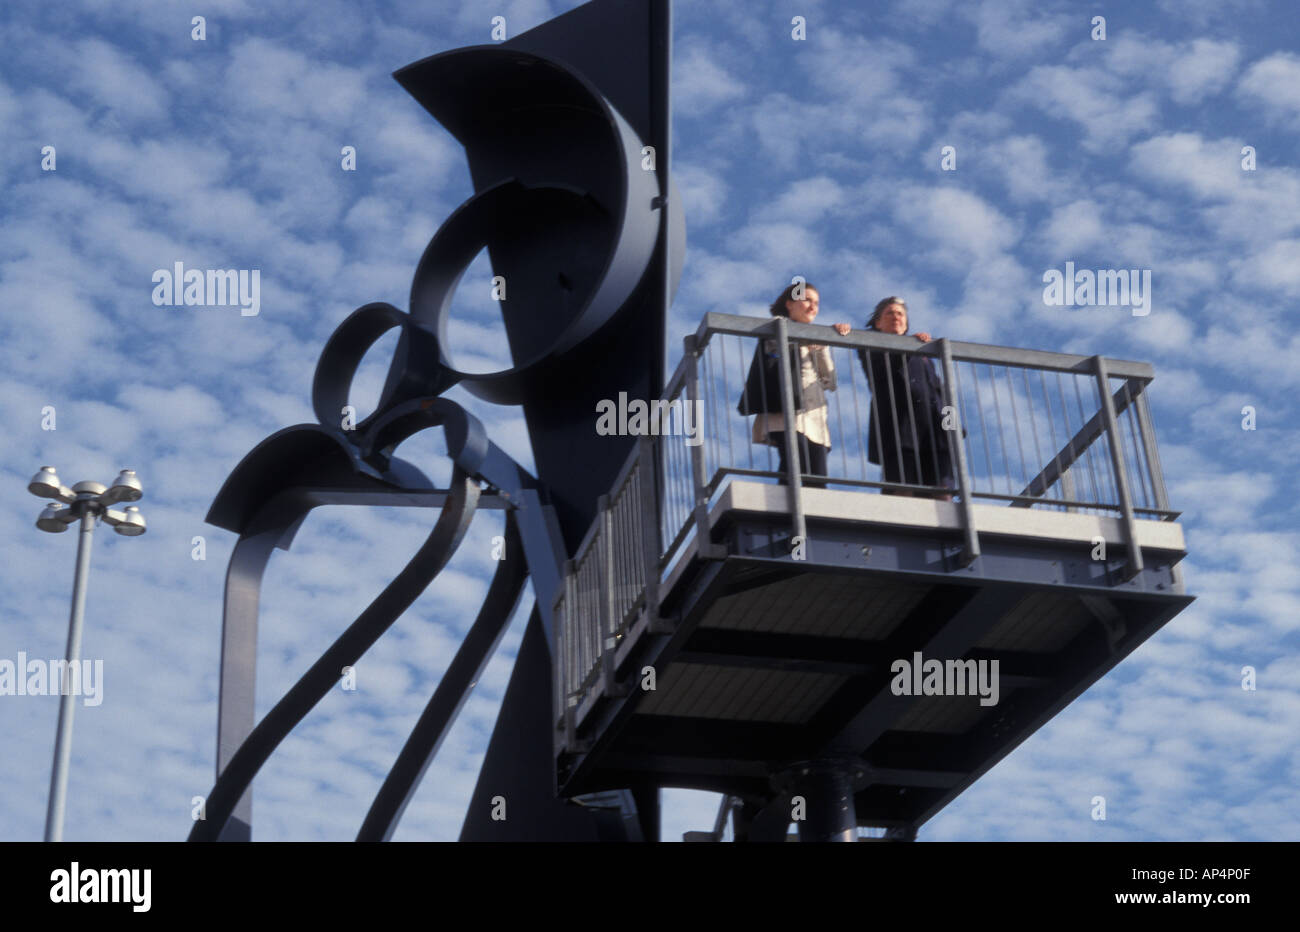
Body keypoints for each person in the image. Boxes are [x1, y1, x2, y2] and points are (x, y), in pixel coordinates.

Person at [738, 283, 846, 487]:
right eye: (807, 300)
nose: (813, 306)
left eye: (816, 303)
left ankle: (809, 517)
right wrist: (805, 340)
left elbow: (829, 381)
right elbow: (773, 355)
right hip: (786, 411)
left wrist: (822, 345)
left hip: (814, 417)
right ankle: (786, 517)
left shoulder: (816, 336)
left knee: (818, 477)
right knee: (794, 466)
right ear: (789, 304)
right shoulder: (777, 327)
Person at [857, 296, 955, 499]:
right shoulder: (870, 344)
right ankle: (901, 528)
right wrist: (908, 347)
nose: (896, 317)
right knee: (902, 487)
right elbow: (879, 373)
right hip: (899, 429)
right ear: (878, 322)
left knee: (942, 491)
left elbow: (938, 391)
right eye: (889, 313)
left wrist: (951, 425)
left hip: (933, 430)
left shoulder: (923, 353)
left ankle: (945, 531)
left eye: (900, 314)